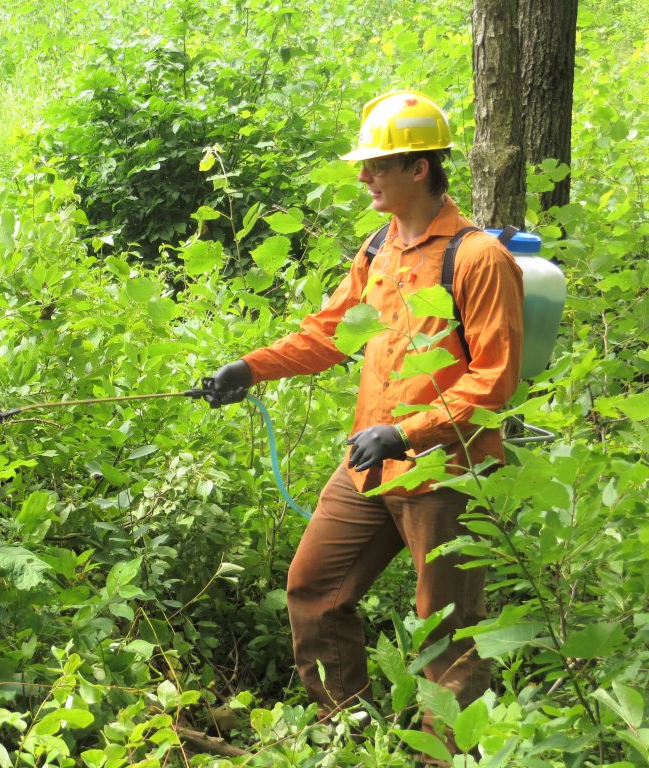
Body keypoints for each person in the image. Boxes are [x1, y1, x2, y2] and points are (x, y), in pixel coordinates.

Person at [203, 90, 524, 750]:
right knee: (313, 589)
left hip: (446, 472)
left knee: (448, 636)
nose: (364, 176)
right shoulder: (377, 248)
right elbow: (329, 335)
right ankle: (350, 733)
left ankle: (449, 759)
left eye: (377, 164)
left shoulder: (478, 258)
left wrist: (408, 432)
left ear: (419, 168)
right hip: (370, 465)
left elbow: (493, 379)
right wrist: (250, 367)